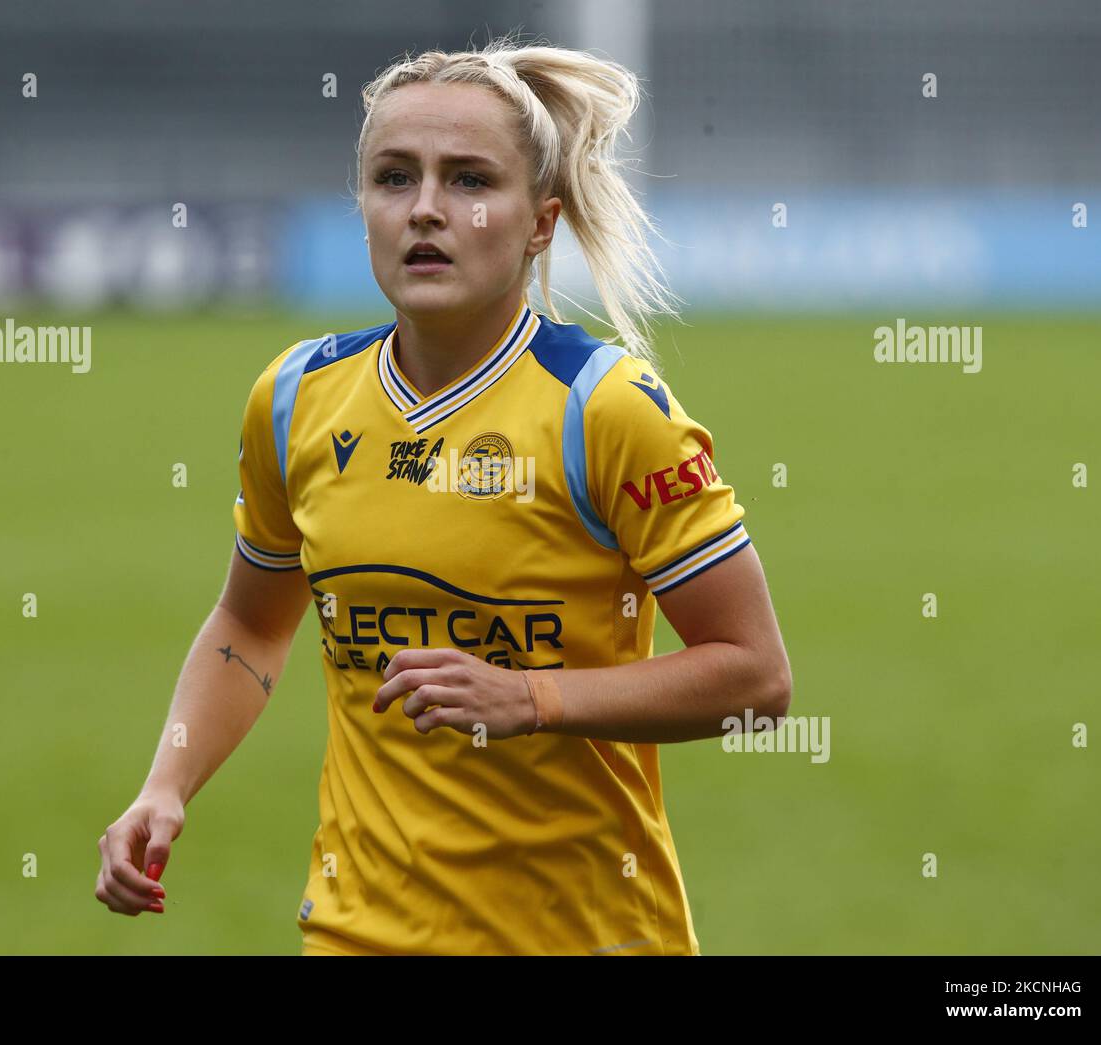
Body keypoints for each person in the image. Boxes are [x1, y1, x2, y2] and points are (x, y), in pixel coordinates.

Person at [96, 36, 792, 956]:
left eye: (469, 181)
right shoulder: (296, 397)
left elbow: (755, 675)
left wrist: (531, 697)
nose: (426, 209)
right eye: (394, 177)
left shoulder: (607, 410)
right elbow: (251, 624)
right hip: (356, 935)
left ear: (541, 223)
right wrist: (166, 784)